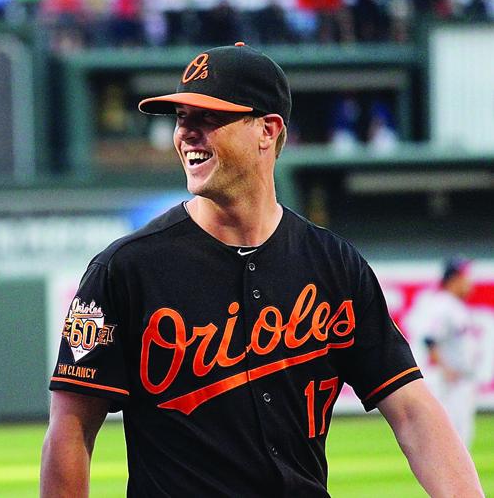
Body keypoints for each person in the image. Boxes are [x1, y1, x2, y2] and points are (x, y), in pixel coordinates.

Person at [40, 43, 482, 497]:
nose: (187, 134)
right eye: (181, 118)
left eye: (208, 118)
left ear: (267, 131)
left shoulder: (335, 265)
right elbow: (70, 428)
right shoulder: (122, 270)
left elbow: (412, 409)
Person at [404, 257, 479, 446]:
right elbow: (430, 338)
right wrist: (445, 369)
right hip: (449, 383)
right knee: (452, 440)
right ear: (454, 279)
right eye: (465, 277)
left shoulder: (453, 305)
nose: (469, 283)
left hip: (457, 381)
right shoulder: (443, 305)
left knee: (459, 438)